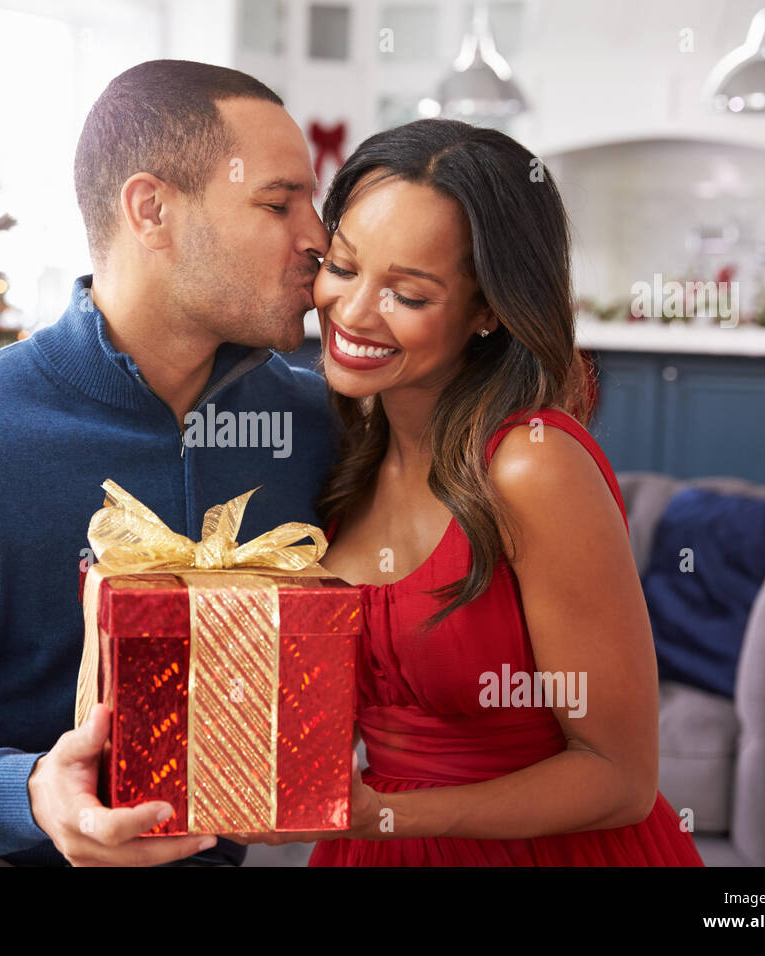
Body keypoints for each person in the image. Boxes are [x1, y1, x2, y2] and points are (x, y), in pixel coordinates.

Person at [0, 59, 334, 867]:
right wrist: (33, 793)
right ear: (152, 210)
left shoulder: (316, 428)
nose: (318, 238)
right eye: (279, 204)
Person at [229, 118, 704, 866]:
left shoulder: (530, 468)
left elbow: (621, 778)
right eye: (344, 268)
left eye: (408, 294)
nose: (352, 315)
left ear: (488, 310)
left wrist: (383, 813)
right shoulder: (338, 453)